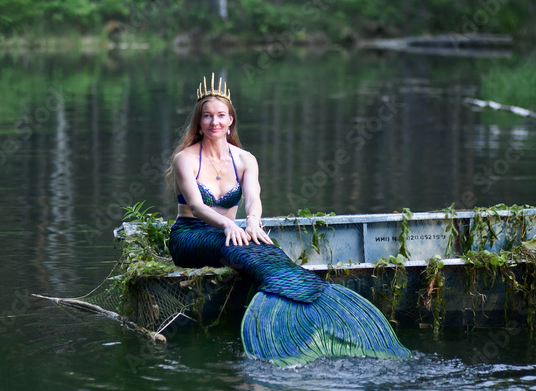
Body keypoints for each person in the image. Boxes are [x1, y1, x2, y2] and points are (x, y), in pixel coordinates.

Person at [167, 74, 411, 366]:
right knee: (233, 244)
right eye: (207, 116)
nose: (214, 122)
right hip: (190, 235)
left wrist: (253, 221)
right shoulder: (185, 159)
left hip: (231, 235)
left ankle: (307, 300)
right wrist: (231, 224)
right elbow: (196, 206)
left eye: (221, 115)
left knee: (269, 249)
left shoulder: (245, 159)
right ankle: (281, 319)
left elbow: (253, 198)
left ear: (231, 120)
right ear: (199, 122)